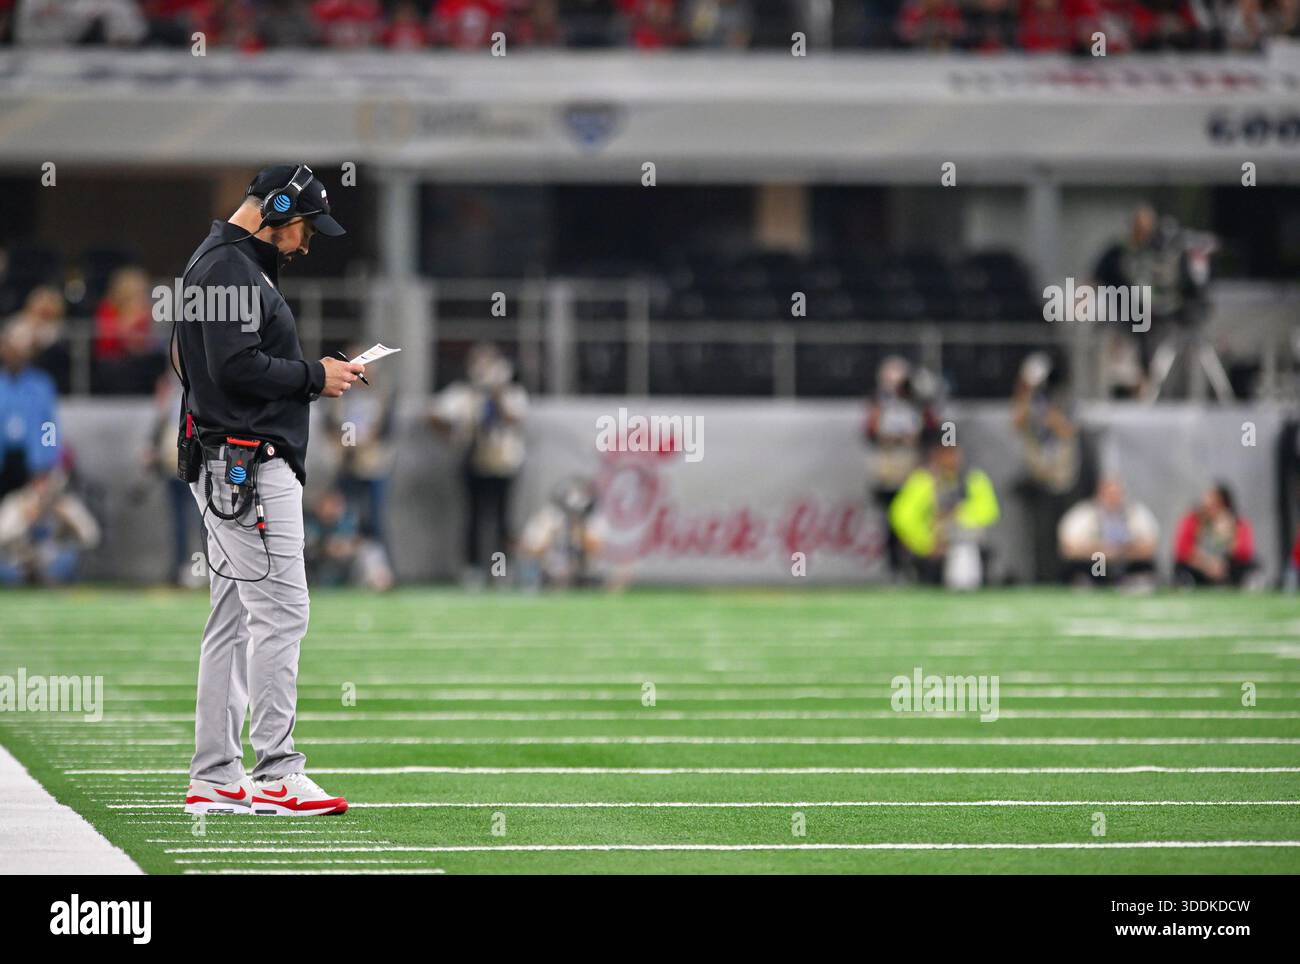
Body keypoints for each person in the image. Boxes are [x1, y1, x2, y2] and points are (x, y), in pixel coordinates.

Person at [174, 163, 363, 816]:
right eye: (305, 226)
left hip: (229, 458)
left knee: (231, 621)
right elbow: (235, 366)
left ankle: (216, 776)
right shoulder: (228, 265)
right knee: (282, 613)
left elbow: (190, 360)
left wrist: (312, 374)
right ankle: (277, 771)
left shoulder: (219, 261)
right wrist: (316, 376)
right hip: (245, 463)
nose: (308, 243)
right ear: (277, 209)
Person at [431, 342, 528, 585]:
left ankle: (501, 571)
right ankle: (472, 569)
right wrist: (453, 433)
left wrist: (496, 392)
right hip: (474, 461)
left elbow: (514, 418)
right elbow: (433, 414)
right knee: (473, 518)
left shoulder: (511, 393)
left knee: (503, 519)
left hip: (504, 462)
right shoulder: (464, 393)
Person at [889, 429, 1000, 587]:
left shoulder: (973, 479)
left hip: (964, 543)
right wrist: (927, 544)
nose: (951, 458)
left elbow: (989, 511)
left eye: (954, 452)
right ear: (935, 455)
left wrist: (959, 515)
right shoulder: (923, 480)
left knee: (965, 552)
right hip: (932, 553)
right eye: (946, 453)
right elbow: (902, 516)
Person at [865, 357, 939, 580]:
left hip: (913, 471)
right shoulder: (881, 404)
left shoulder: (918, 406)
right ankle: (894, 569)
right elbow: (870, 432)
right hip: (890, 470)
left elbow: (933, 432)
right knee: (892, 523)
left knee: (918, 521)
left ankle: (920, 567)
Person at [1011, 352, 1081, 583]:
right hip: (1040, 476)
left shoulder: (1062, 399)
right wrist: (1026, 390)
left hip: (1063, 476)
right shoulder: (1030, 401)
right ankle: (1042, 577)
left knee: (1065, 530)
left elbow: (1069, 430)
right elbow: (1018, 423)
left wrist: (1051, 417)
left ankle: (1065, 576)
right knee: (1040, 534)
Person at [0, 464, 100, 585]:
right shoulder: (17, 502)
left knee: (69, 558)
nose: (45, 487)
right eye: (41, 482)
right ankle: (26, 579)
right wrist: (24, 520)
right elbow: (3, 536)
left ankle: (47, 580)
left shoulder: (64, 503)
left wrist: (71, 520)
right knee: (7, 572)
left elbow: (91, 537)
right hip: (19, 561)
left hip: (50, 562)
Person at [1058, 477, 1159, 586]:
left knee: (1144, 565)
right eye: (1109, 494)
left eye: (1116, 494)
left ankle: (1133, 582)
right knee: (1093, 564)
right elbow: (1068, 547)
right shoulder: (1084, 514)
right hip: (1097, 562)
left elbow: (1150, 546)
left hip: (1127, 561)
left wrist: (1121, 552)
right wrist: (1101, 550)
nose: (1113, 498)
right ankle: (1094, 583)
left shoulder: (1136, 513)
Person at [0, 321, 60, 501]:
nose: (14, 355)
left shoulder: (41, 385)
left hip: (31, 461)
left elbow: (48, 425)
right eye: (11, 349)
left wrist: (46, 462)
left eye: (19, 350)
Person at [1172, 483, 1256, 586]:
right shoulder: (1192, 520)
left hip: (1226, 567)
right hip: (1199, 567)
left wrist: (1230, 535)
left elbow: (1245, 552)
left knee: (1250, 565)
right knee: (1181, 567)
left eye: (1216, 504)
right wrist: (1207, 565)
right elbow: (1182, 550)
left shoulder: (1237, 523)